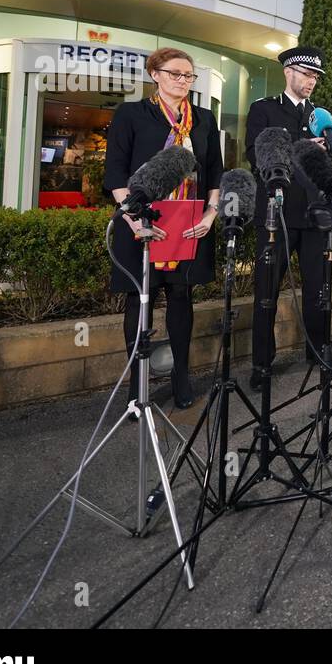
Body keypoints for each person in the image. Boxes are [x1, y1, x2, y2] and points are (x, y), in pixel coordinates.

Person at [104, 47, 223, 410]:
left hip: (189, 224)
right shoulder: (132, 114)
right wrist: (133, 217)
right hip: (141, 223)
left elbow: (214, 171)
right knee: (140, 301)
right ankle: (136, 385)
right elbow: (115, 171)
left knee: (182, 298)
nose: (183, 81)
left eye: (189, 76)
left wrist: (210, 215)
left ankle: (180, 377)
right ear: (155, 74)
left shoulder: (204, 119)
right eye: (175, 74)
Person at [246, 46, 331, 391]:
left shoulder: (321, 116)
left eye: (315, 77)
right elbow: (255, 152)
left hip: (313, 216)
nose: (311, 81)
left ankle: (318, 351)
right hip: (275, 216)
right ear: (288, 72)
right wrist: (302, 144)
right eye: (306, 74)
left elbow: (328, 166)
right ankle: (262, 365)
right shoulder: (264, 109)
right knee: (266, 294)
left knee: (318, 292)